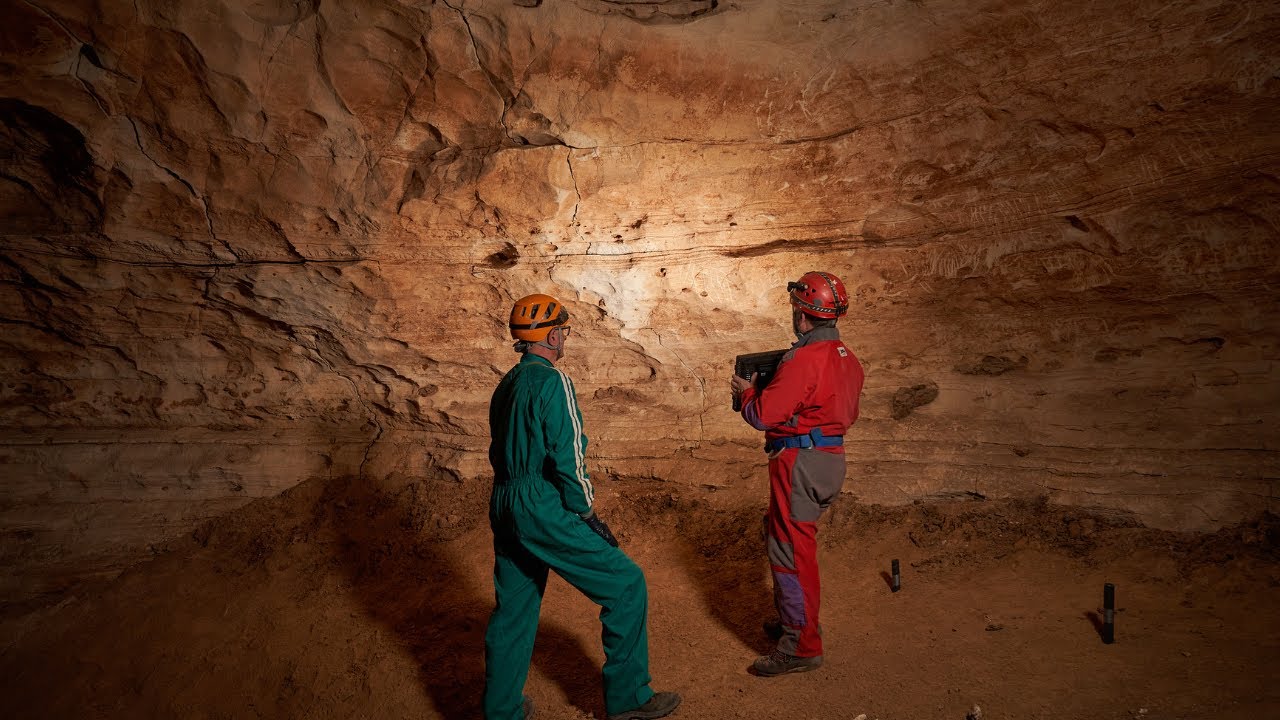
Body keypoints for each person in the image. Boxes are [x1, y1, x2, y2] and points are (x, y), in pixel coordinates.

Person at [484, 293, 682, 720]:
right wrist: (586, 512)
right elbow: (569, 457)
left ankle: (501, 711)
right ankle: (629, 700)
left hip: (504, 500)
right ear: (553, 335)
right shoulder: (553, 382)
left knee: (514, 609)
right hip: (539, 503)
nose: (564, 338)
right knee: (627, 585)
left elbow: (498, 451)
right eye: (563, 330)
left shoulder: (506, 385)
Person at [730, 271, 865, 676]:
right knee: (795, 546)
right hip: (828, 458)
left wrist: (748, 392)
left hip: (800, 463)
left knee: (790, 553)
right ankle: (797, 623)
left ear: (802, 316)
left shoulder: (802, 359)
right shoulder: (848, 359)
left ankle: (801, 646)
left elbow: (762, 415)